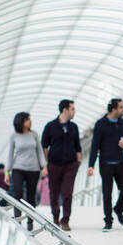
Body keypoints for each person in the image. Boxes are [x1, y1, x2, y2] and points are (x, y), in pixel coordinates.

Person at [87, 97, 123, 231]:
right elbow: (95, 146)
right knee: (107, 193)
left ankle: (118, 209)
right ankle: (108, 221)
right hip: (106, 163)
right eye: (121, 107)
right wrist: (91, 165)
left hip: (121, 162)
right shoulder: (100, 124)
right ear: (113, 110)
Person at [40, 99, 81, 231]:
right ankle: (56, 216)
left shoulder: (74, 127)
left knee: (67, 192)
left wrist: (78, 163)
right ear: (65, 110)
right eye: (72, 109)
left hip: (70, 165)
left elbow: (78, 147)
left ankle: (66, 220)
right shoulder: (50, 127)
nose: (74, 111)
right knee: (54, 193)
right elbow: (44, 147)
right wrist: (45, 165)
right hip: (54, 165)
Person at [7, 112, 42, 230]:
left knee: (31, 196)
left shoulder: (34, 135)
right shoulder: (14, 136)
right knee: (17, 193)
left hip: (33, 169)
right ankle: (18, 220)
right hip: (18, 168)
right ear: (21, 122)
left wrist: (44, 166)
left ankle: (30, 222)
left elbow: (40, 152)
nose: (30, 121)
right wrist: (7, 172)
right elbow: (10, 154)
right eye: (27, 119)